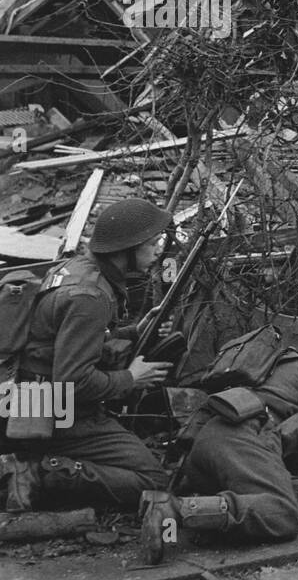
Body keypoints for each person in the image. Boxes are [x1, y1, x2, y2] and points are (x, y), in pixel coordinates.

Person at [140, 308, 298, 557]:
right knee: (284, 516)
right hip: (246, 444)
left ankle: (216, 512)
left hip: (207, 444)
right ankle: (173, 510)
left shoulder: (267, 360)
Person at [4, 198, 173, 512]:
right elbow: (75, 382)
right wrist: (131, 378)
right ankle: (36, 474)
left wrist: (133, 332)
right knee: (152, 480)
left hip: (27, 393)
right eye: (152, 243)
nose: (157, 251)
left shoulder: (77, 267)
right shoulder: (90, 297)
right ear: (127, 249)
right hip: (50, 409)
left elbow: (59, 340)